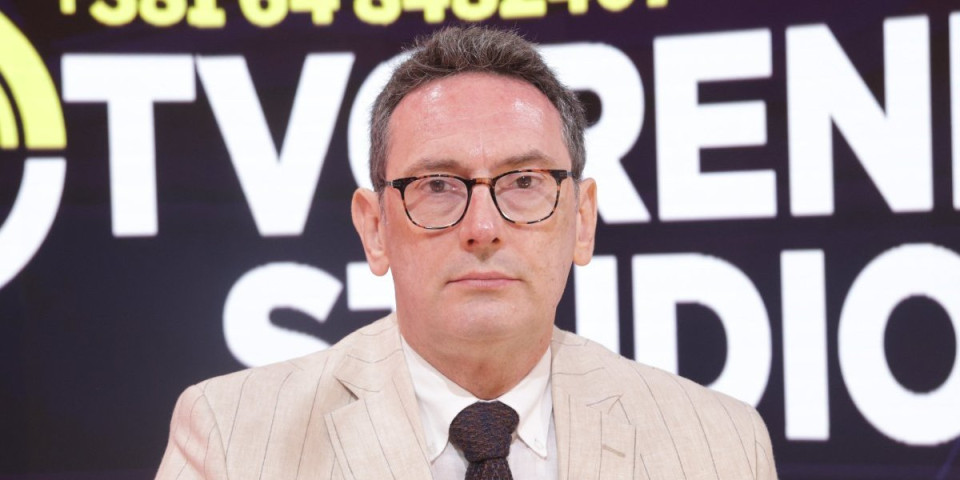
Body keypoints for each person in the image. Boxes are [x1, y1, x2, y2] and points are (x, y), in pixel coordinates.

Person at [156, 26, 777, 480]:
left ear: (582, 221)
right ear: (374, 229)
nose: (483, 227)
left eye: (525, 181)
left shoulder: (719, 447)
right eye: (437, 185)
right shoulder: (231, 438)